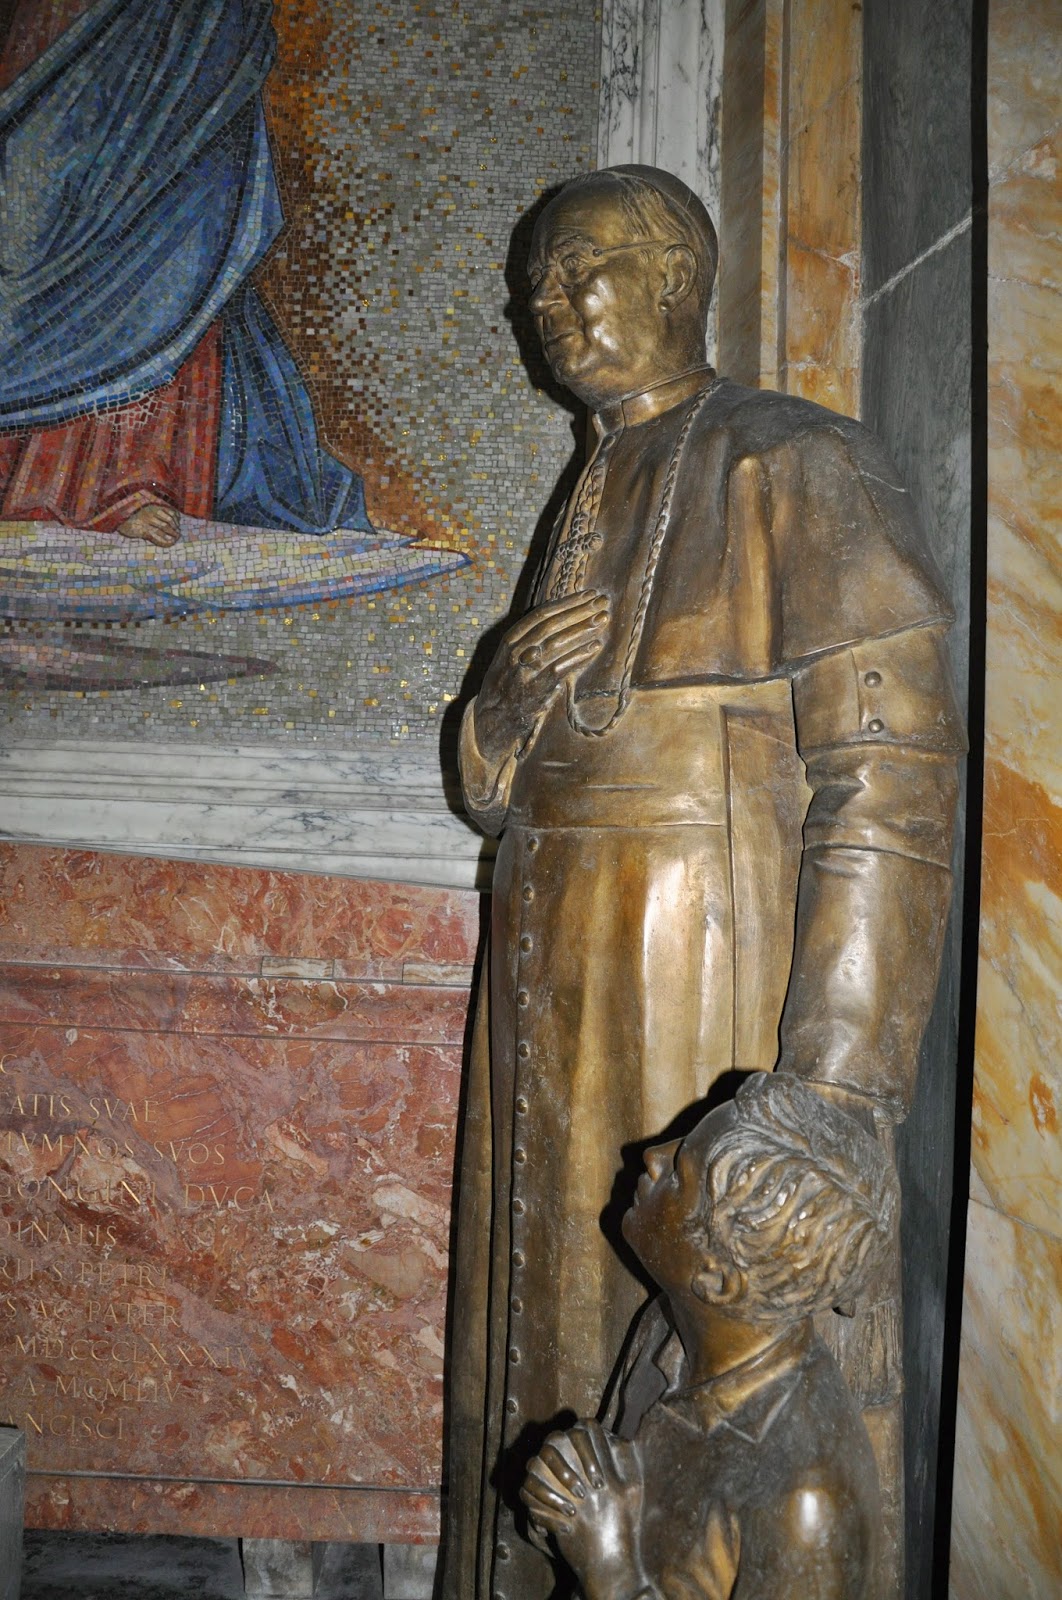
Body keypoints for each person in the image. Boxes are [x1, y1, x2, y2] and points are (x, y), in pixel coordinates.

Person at [443, 165, 965, 1600]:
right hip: (547, 964)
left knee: (650, 1308)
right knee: (535, 1315)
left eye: (582, 273)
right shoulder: (591, 477)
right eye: (536, 289)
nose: (552, 308)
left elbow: (892, 781)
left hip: (693, 960)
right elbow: (494, 787)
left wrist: (830, 1094)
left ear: (678, 277)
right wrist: (497, 704)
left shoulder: (793, 461)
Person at [0, 0, 372, 546]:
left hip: (189, 49)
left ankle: (124, 484)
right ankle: (50, 482)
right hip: (89, 43)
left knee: (171, 256)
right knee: (67, 226)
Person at [521, 1072, 894, 1599]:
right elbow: (623, 1511)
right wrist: (569, 1498)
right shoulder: (672, 1330)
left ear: (717, 1280)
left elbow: (616, 1555)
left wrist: (608, 1564)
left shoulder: (805, 1497)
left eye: (680, 1172)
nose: (652, 1156)